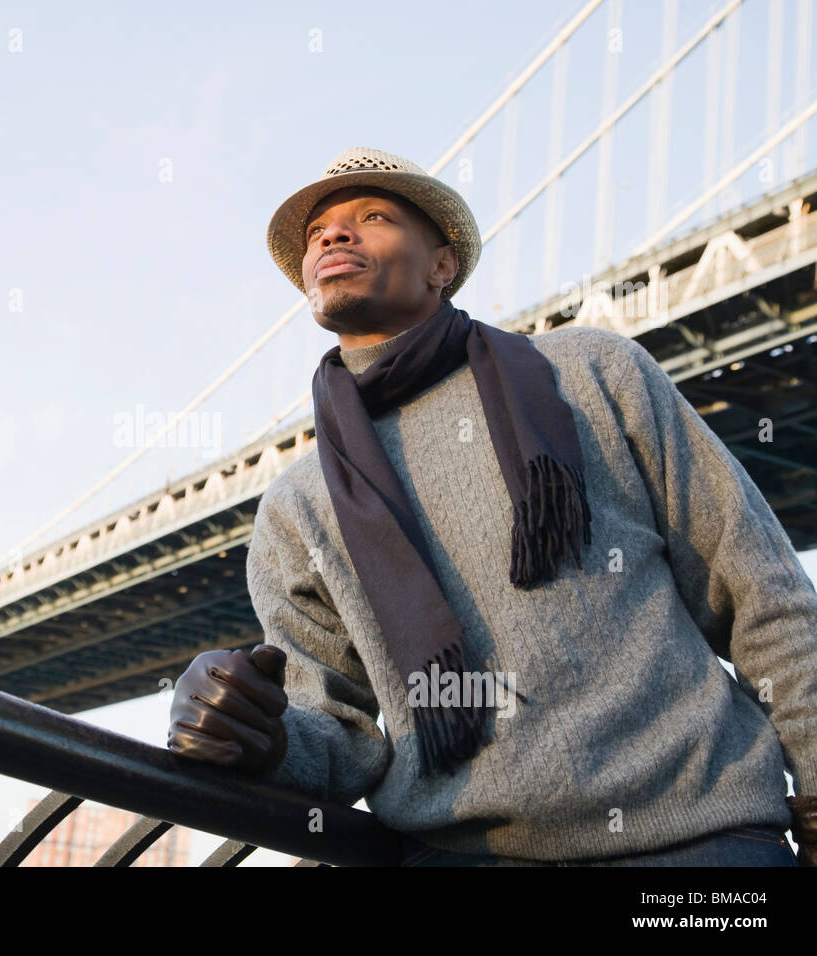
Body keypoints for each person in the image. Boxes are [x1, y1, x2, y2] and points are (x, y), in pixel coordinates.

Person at [166, 146, 816, 866]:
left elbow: (761, 595)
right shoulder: (299, 502)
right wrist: (258, 731)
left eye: (372, 216)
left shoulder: (593, 372)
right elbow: (336, 733)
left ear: (442, 265)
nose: (332, 236)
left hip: (701, 844)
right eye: (318, 233)